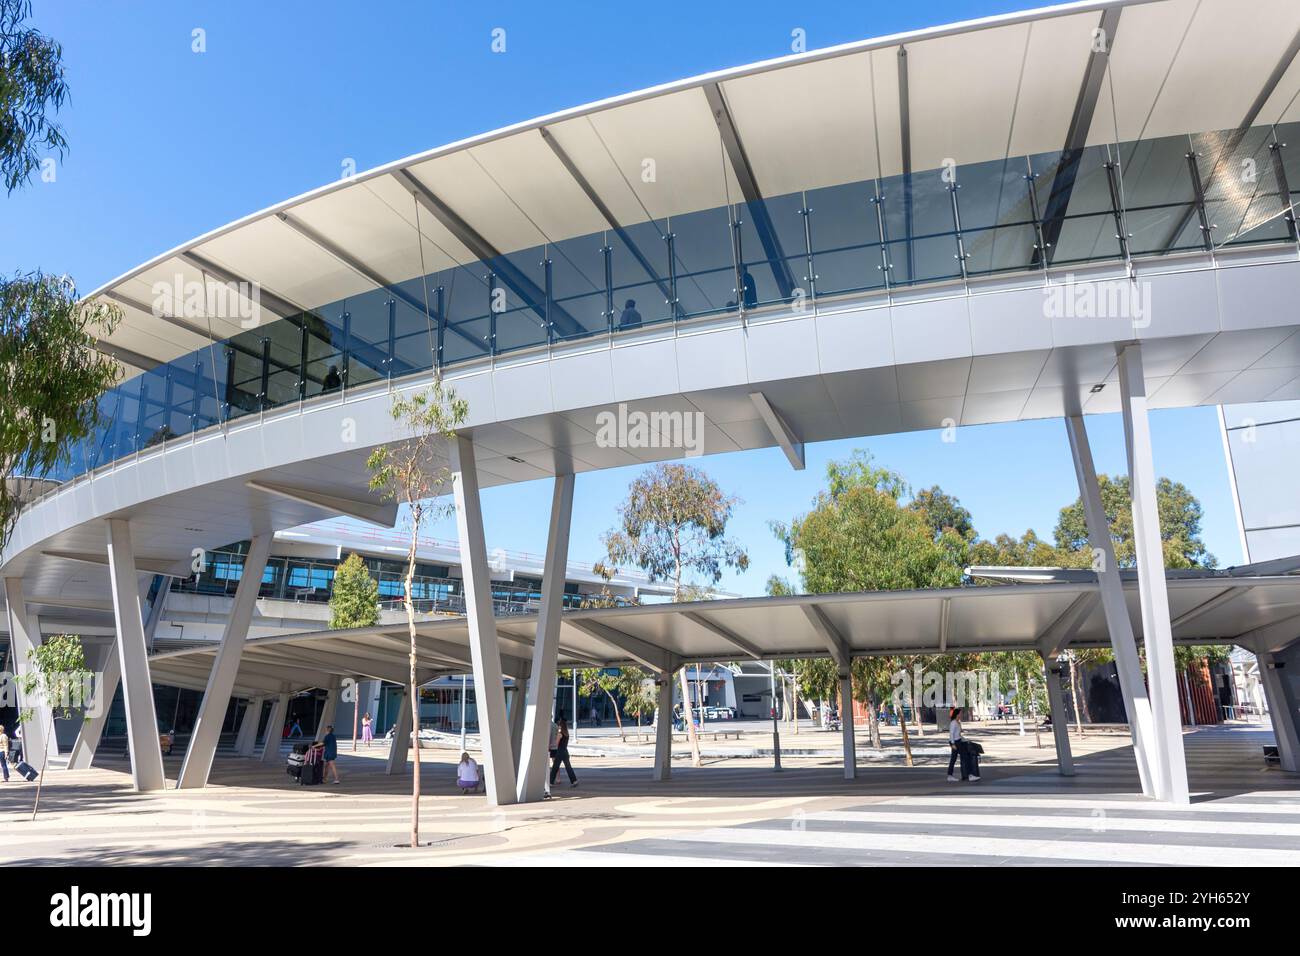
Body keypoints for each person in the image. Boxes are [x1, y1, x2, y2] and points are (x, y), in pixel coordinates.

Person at [947, 707, 980, 782]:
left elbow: (958, 734)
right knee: (965, 757)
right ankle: (970, 775)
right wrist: (952, 744)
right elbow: (951, 734)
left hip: (958, 741)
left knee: (954, 759)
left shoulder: (958, 722)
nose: (961, 714)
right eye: (960, 713)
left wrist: (965, 740)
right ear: (957, 714)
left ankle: (950, 775)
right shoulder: (953, 723)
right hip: (955, 742)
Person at [549, 715, 577, 789]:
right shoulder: (566, 733)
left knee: (555, 767)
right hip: (565, 751)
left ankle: (550, 782)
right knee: (568, 767)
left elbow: (556, 743)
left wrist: (550, 745)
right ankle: (574, 781)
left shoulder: (560, 733)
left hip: (560, 752)